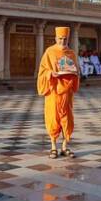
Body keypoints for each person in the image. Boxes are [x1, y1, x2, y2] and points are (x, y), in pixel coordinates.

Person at [36, 26, 80, 159]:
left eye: (65, 39)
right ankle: (53, 147)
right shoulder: (49, 52)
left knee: (67, 119)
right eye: (60, 38)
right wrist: (50, 73)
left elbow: (75, 70)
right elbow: (42, 71)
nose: (62, 41)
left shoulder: (71, 53)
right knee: (53, 118)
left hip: (67, 92)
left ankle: (65, 146)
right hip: (54, 91)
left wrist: (76, 73)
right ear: (55, 38)